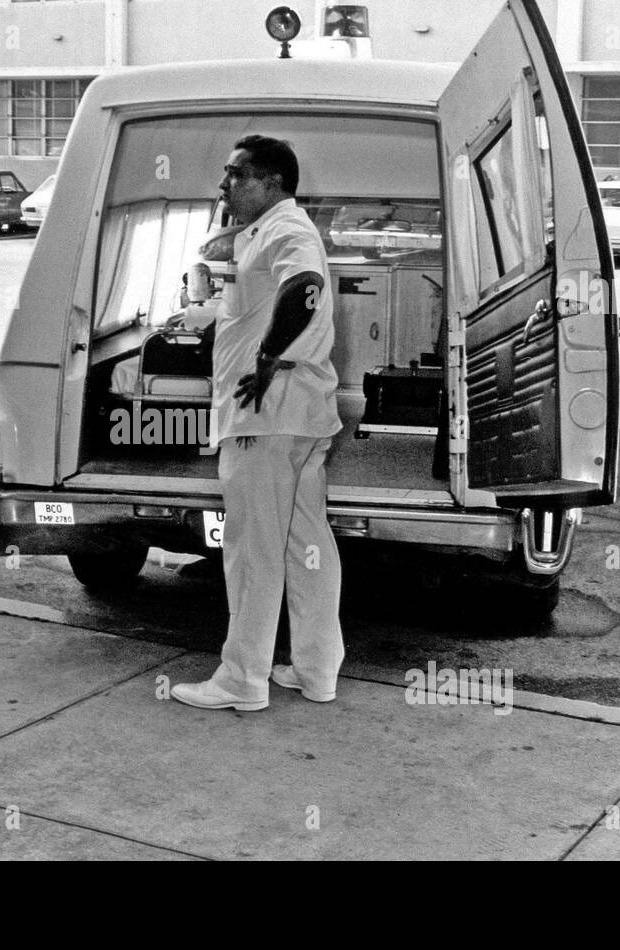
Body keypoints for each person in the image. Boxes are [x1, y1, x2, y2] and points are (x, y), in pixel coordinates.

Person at [170, 135, 344, 712]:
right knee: (305, 547)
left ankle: (242, 679)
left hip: (266, 418)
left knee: (252, 551)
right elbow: (272, 297)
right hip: (299, 417)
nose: (224, 185)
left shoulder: (285, 230)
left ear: (272, 183)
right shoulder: (268, 233)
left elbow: (306, 289)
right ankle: (317, 671)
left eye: (236, 175)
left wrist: (266, 358)